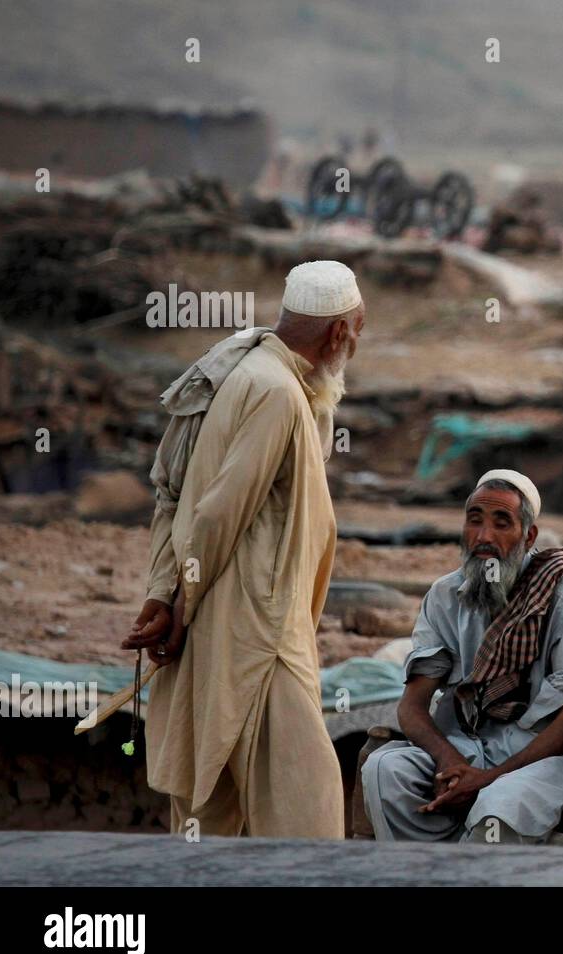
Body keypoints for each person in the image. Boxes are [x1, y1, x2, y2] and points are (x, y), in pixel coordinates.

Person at [122, 260, 364, 838]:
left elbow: (172, 496)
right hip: (261, 636)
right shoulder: (276, 393)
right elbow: (214, 512)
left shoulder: (248, 371)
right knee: (309, 808)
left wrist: (168, 596)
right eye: (357, 329)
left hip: (225, 624)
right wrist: (176, 608)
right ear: (338, 334)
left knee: (212, 813)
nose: (356, 341)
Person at [362, 471, 563, 843]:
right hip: (467, 747)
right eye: (474, 520)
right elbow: (412, 706)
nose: (484, 537)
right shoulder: (445, 595)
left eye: (501, 523)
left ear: (528, 536)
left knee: (496, 807)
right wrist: (450, 761)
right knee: (385, 770)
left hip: (548, 760)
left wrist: (486, 779)